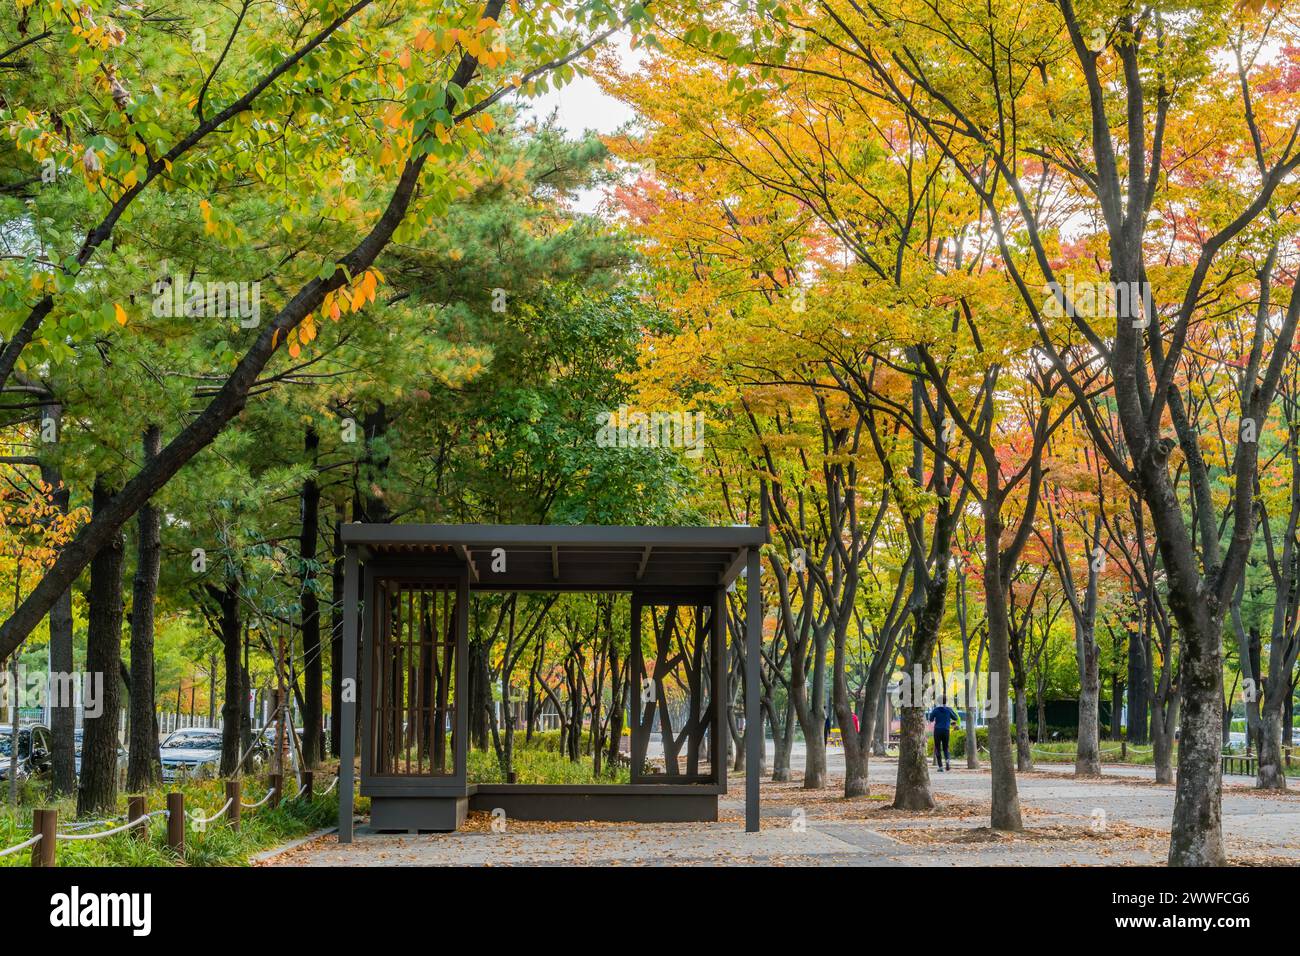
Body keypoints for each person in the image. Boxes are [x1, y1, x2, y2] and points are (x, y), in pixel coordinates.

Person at [927, 699, 960, 771]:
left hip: (937, 730)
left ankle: (940, 767)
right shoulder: (948, 709)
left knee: (937, 748)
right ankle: (947, 760)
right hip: (946, 730)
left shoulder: (936, 710)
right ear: (946, 702)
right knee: (945, 747)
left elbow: (931, 719)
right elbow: (955, 718)